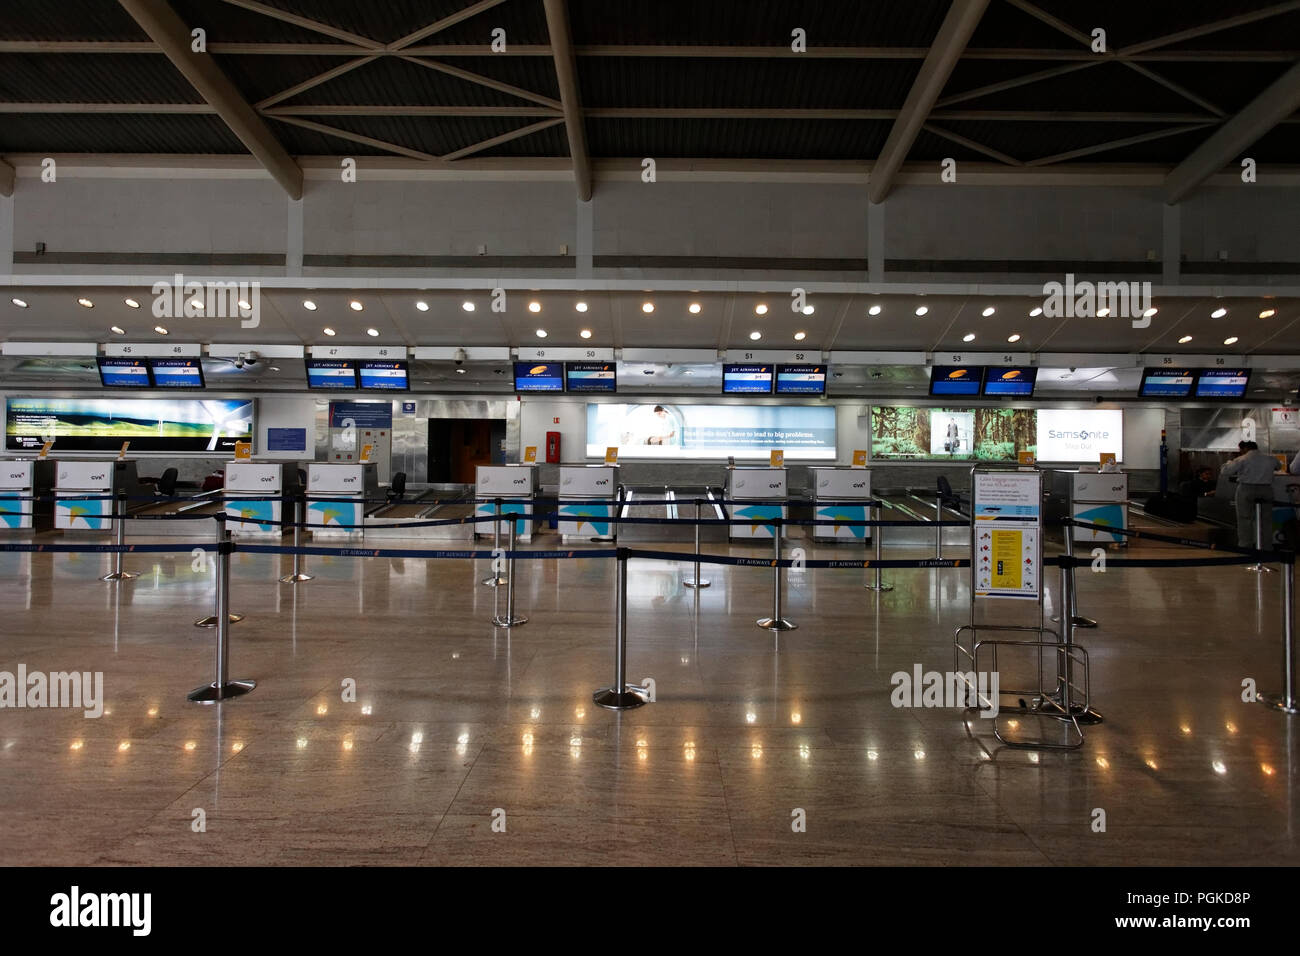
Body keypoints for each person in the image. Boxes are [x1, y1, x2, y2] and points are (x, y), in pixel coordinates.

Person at [1221, 441, 1282, 548]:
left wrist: (1227, 463)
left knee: (1245, 519)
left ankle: (1245, 546)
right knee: (1266, 520)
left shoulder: (1242, 459)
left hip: (1246, 489)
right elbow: (1279, 467)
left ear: (1245, 448)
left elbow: (1226, 471)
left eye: (1240, 450)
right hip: (1266, 489)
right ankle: (1266, 547)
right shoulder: (1270, 458)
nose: (1240, 452)